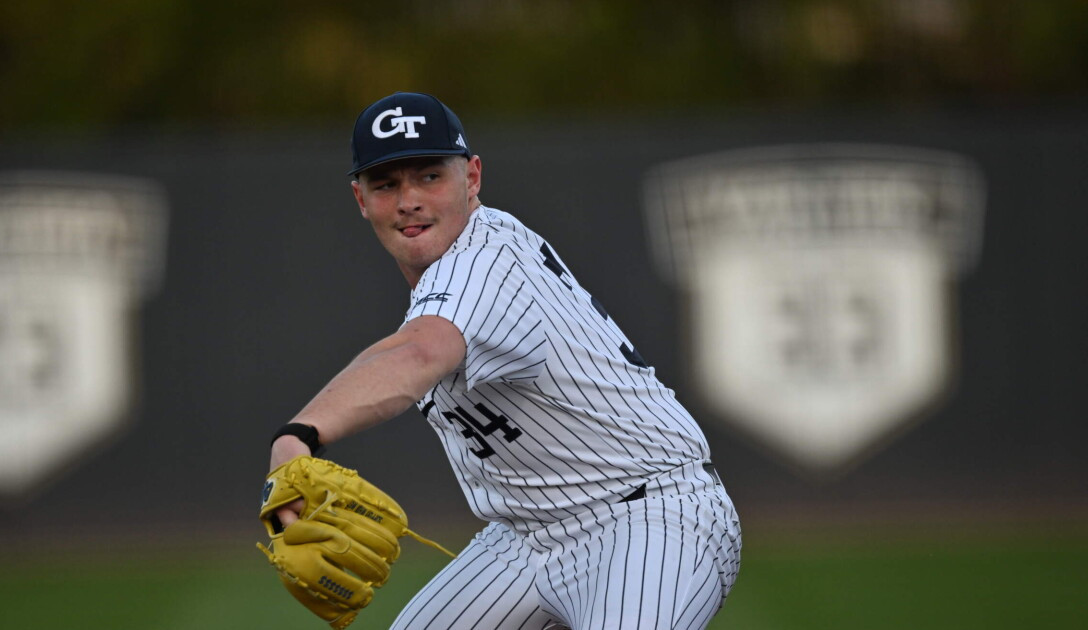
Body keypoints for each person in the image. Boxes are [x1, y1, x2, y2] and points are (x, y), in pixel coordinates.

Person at [268, 92, 741, 629]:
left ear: (471, 178)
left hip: (650, 518)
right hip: (525, 538)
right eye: (386, 184)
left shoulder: (484, 260)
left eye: (428, 176)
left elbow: (420, 352)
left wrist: (298, 435)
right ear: (360, 198)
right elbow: (405, 345)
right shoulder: (438, 292)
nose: (408, 200)